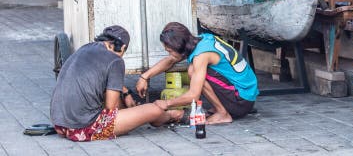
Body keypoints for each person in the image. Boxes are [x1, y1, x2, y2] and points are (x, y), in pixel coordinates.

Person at [50, 25, 182, 141]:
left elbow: (100, 78)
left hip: (60, 124)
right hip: (82, 128)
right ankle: (169, 116)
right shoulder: (115, 60)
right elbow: (110, 108)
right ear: (123, 47)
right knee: (154, 109)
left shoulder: (86, 48)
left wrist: (126, 92)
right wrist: (133, 112)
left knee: (115, 99)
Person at [136, 22, 257, 124]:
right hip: (244, 94)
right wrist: (144, 77)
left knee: (192, 70)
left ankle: (222, 113)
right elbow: (171, 60)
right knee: (194, 69)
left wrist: (166, 103)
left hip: (241, 101)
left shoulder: (201, 56)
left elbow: (193, 95)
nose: (169, 54)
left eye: (170, 51)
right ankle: (220, 108)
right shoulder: (200, 40)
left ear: (180, 47)